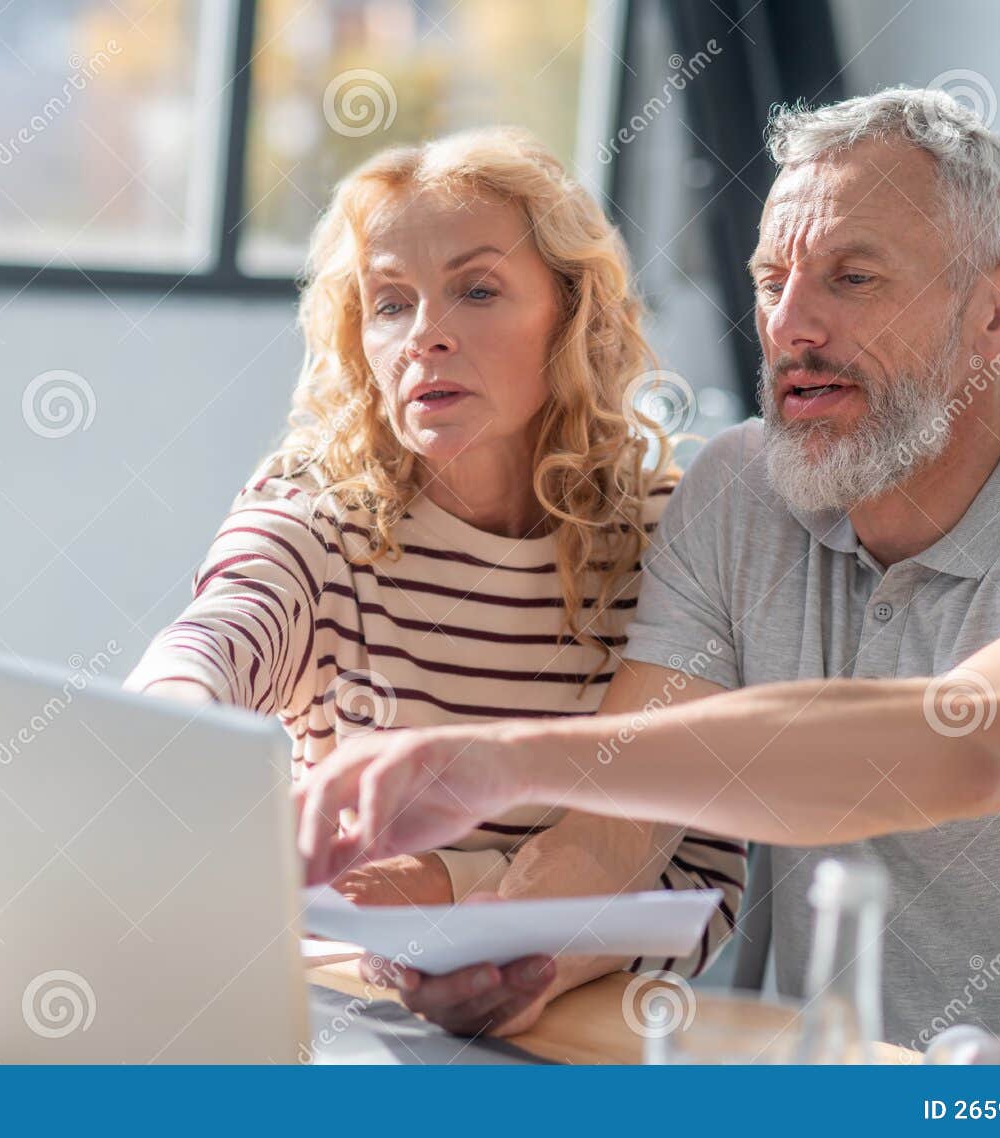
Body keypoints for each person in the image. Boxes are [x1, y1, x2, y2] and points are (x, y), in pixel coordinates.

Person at [295, 89, 1000, 1063]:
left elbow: (983, 742)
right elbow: (620, 830)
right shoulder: (740, 493)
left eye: (853, 278)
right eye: (769, 279)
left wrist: (506, 758)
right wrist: (515, 955)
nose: (790, 324)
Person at [125, 126, 744, 988]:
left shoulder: (671, 535)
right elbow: (219, 631)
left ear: (572, 312)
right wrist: (170, 713)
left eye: (477, 290)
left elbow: (700, 878)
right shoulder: (314, 506)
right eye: (390, 301)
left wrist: (449, 892)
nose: (425, 335)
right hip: (338, 1011)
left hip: (570, 1033)